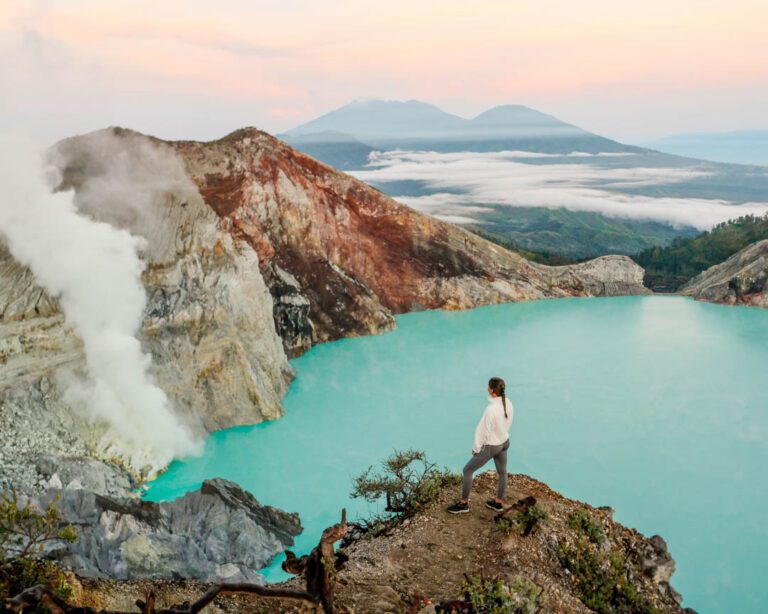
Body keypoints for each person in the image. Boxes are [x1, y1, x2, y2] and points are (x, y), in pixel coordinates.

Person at [447, 377, 513, 514]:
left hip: (492, 446)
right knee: (502, 472)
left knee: (467, 470)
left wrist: (476, 448)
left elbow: (482, 431)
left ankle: (464, 504)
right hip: (504, 442)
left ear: (491, 390)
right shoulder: (508, 402)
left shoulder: (491, 409)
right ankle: (498, 503)